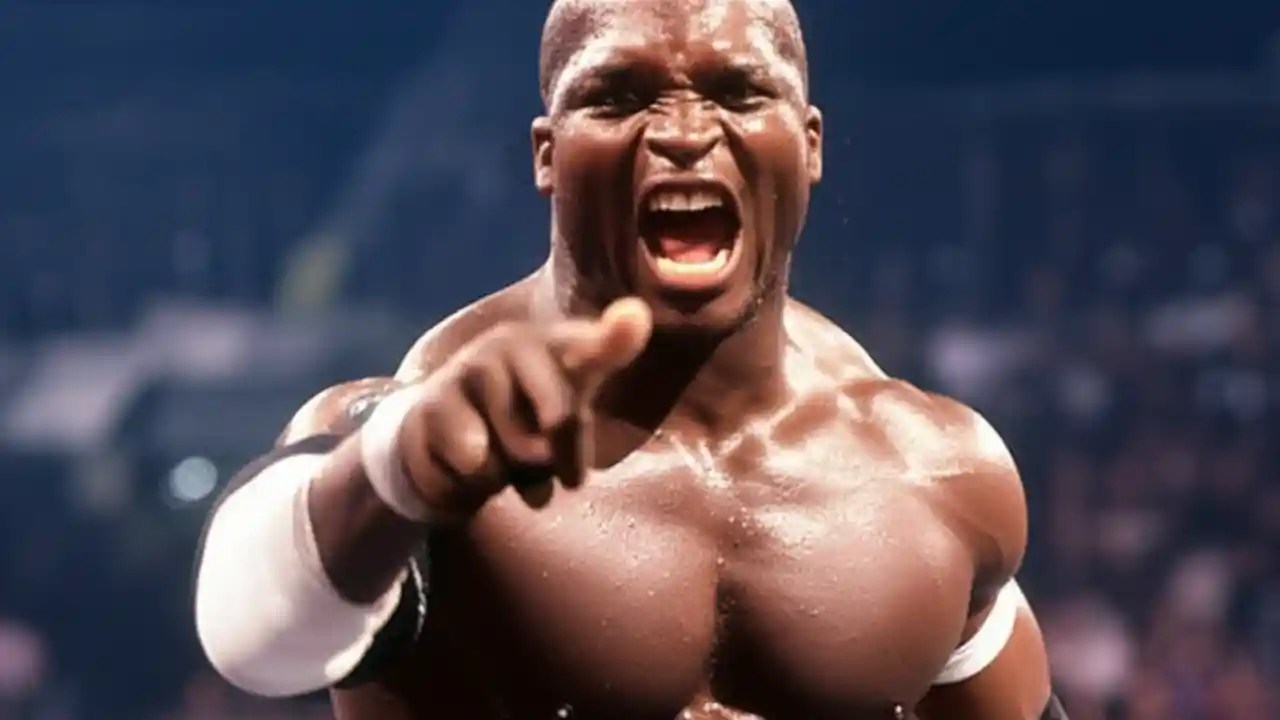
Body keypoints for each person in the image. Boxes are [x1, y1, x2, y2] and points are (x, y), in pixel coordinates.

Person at [193, 0, 1069, 717]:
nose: (686, 131)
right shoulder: (422, 433)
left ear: (809, 144)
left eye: (736, 90)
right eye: (618, 96)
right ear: (549, 155)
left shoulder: (934, 472)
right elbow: (252, 638)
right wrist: (394, 473)